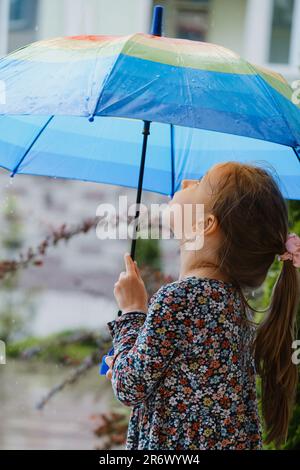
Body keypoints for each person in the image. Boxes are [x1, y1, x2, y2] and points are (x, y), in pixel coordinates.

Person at [104, 161, 300, 450]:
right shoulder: (232, 303)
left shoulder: (177, 299)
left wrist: (132, 311)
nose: (185, 182)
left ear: (206, 224)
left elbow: (129, 385)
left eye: (200, 182)